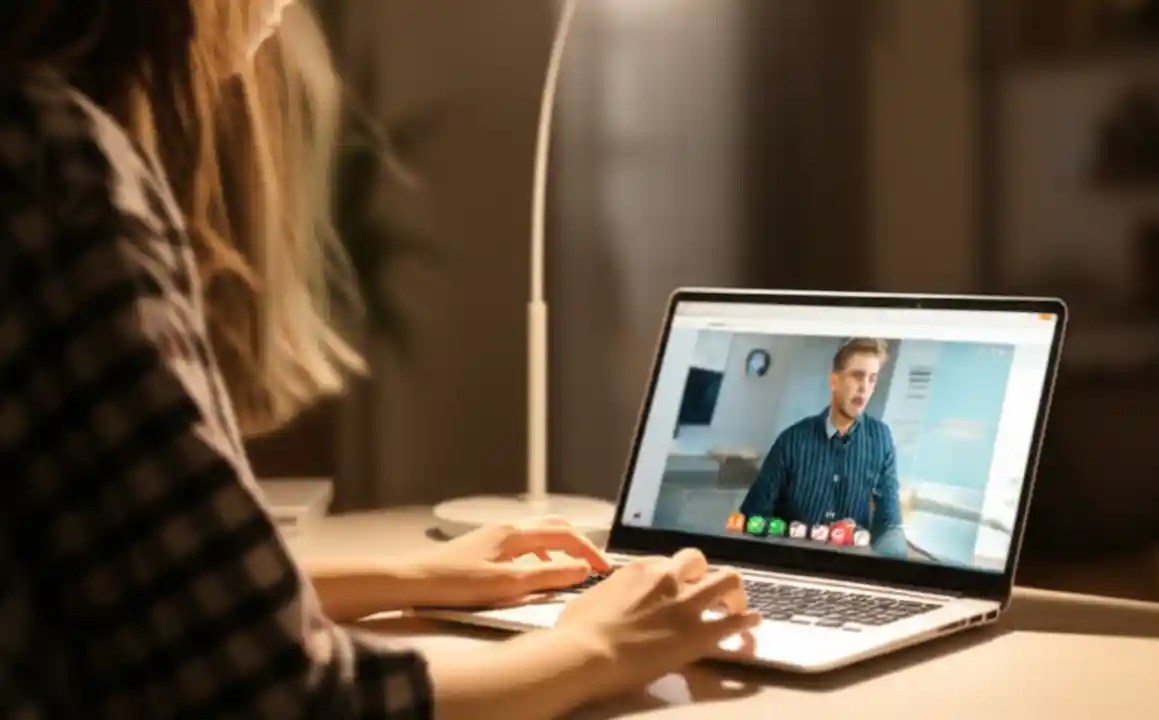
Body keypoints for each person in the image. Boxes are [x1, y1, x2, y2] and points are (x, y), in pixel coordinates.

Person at [0, 1, 758, 717]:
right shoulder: (53, 163)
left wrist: (413, 577)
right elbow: (276, 695)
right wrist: (597, 645)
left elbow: (149, 593)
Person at [738, 338, 908, 558]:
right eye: (857, 376)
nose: (864, 387)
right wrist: (798, 536)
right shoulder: (792, 440)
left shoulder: (881, 438)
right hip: (793, 564)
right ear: (834, 381)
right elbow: (752, 517)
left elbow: (890, 522)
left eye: (872, 379)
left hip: (850, 570)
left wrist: (890, 563)